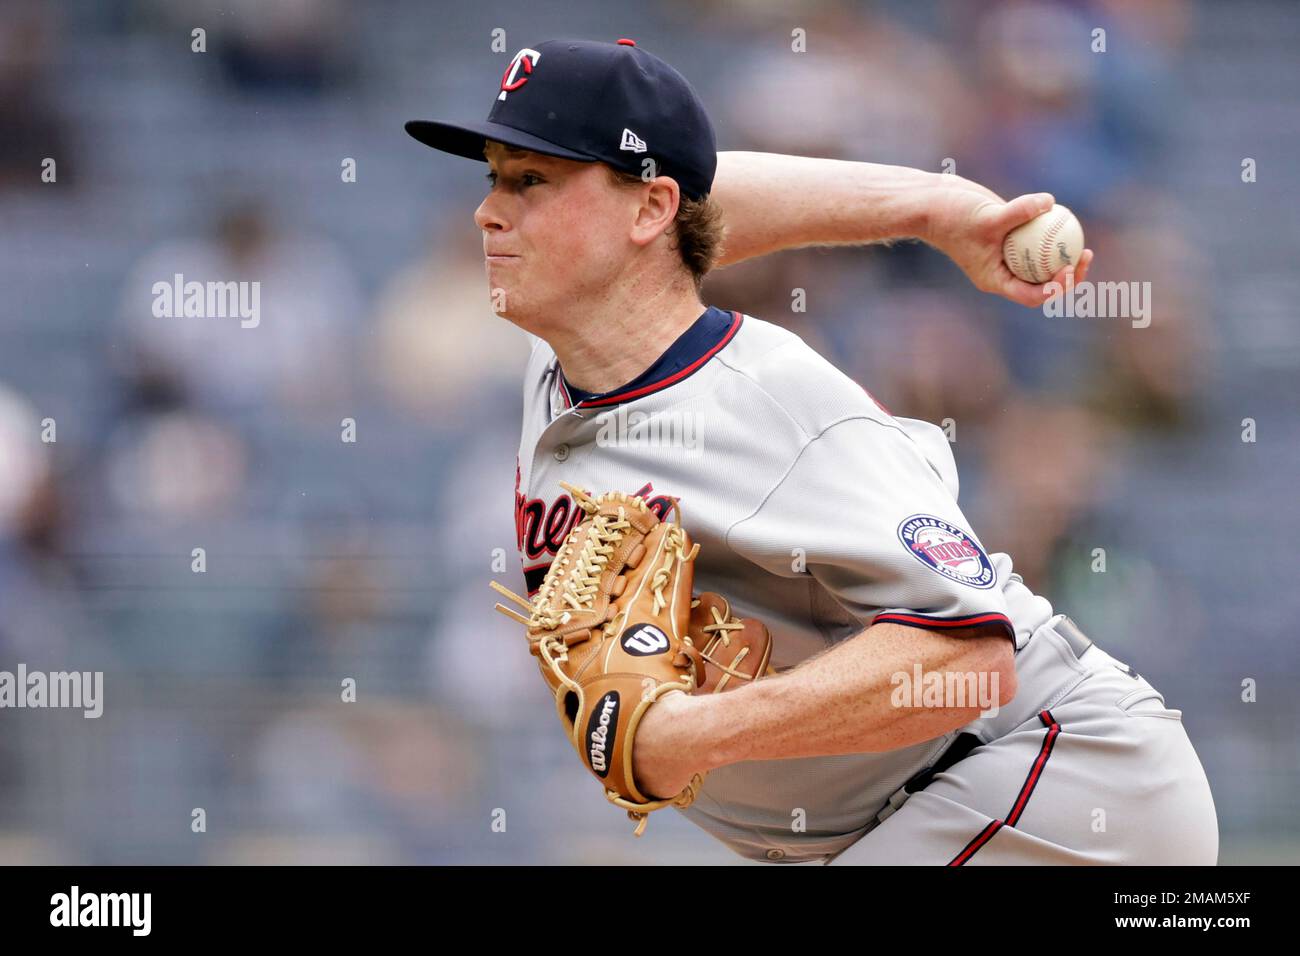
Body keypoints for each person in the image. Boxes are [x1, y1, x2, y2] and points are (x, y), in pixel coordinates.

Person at [405, 38, 1216, 864]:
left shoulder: (775, 412)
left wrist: (685, 735)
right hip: (911, 818)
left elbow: (968, 661)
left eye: (530, 181)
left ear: (647, 211)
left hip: (1048, 779)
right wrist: (934, 208)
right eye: (493, 177)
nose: (488, 211)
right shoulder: (567, 344)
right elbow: (704, 207)